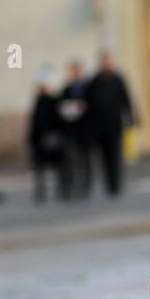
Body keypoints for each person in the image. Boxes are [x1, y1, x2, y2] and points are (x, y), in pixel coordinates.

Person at [85, 52, 135, 195]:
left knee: (115, 155)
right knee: (103, 157)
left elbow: (126, 100)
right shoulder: (95, 81)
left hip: (114, 125)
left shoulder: (118, 79)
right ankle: (108, 184)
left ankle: (116, 184)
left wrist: (130, 119)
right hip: (99, 127)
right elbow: (89, 104)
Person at [28, 67, 73, 201]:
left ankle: (64, 191)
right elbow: (35, 123)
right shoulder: (40, 101)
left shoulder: (55, 101)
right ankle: (42, 193)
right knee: (42, 169)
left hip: (54, 138)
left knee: (60, 167)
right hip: (42, 139)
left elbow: (60, 120)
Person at [59, 61, 92, 198]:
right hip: (70, 130)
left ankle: (86, 184)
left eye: (76, 71)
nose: (74, 74)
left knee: (85, 159)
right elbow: (61, 106)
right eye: (72, 71)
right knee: (71, 159)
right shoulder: (66, 89)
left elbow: (93, 106)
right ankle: (71, 185)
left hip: (84, 130)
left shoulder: (88, 88)